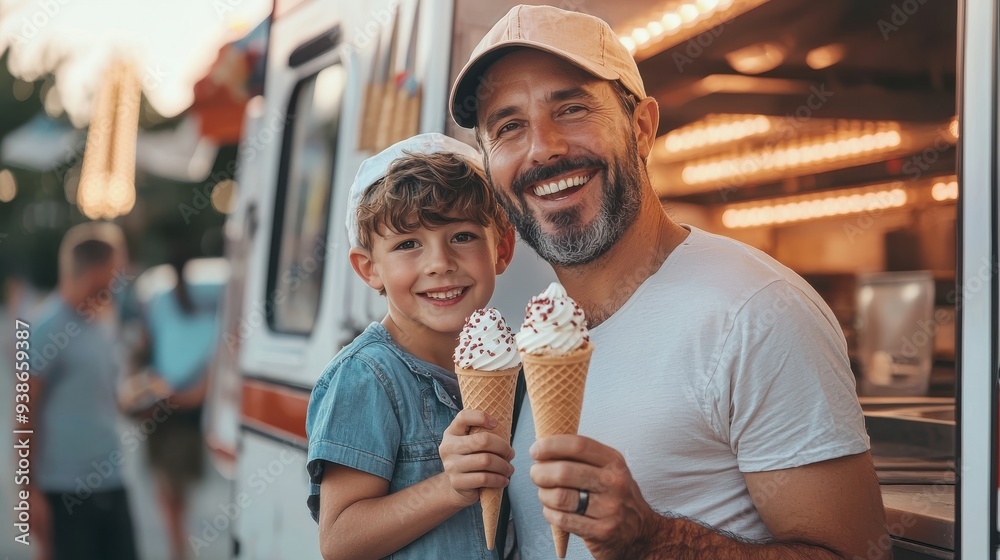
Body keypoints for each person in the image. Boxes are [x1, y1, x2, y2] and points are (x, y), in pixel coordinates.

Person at [442, 5, 890, 559]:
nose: (543, 147)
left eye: (573, 108)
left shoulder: (757, 313)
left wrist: (656, 539)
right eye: (508, 127)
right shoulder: (538, 330)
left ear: (642, 126)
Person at [304, 133, 517, 559]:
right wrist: (449, 488)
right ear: (369, 269)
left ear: (502, 248)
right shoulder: (367, 376)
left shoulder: (512, 363)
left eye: (462, 236)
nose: (439, 263)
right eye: (407, 244)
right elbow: (340, 540)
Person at [26, 222, 138, 560]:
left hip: (112, 482)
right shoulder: (43, 328)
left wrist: (141, 400)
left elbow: (106, 395)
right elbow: (23, 413)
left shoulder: (104, 321)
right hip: (63, 491)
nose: (122, 279)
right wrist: (27, 494)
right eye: (116, 270)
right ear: (94, 271)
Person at [118, 239, 222, 560]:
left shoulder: (178, 299)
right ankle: (178, 549)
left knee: (172, 493)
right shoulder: (189, 302)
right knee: (170, 493)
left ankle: (179, 550)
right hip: (171, 408)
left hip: (175, 410)